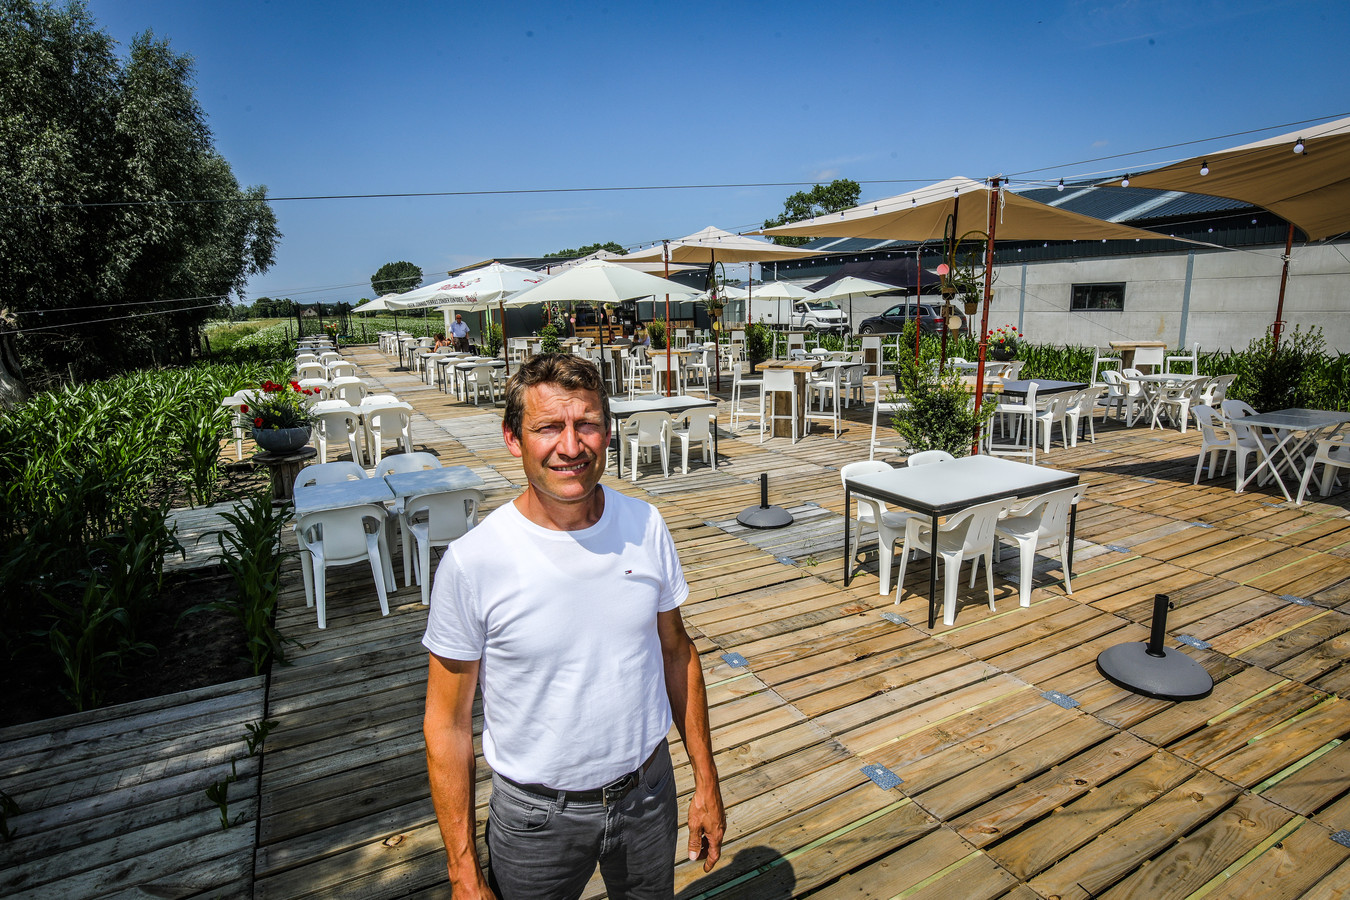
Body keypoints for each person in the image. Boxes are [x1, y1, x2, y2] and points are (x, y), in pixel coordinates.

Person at [423, 353, 724, 900]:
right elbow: (446, 723)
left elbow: (677, 654)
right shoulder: (473, 562)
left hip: (648, 794)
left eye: (586, 423)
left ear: (607, 433)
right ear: (514, 439)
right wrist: (463, 869)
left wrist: (705, 779)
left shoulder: (645, 524)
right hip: (536, 820)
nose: (570, 445)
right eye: (548, 428)